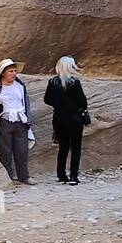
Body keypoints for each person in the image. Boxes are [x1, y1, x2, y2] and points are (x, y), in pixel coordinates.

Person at [0, 59, 35, 185]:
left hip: (20, 121)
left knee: (22, 151)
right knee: (5, 151)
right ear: (3, 73)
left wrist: (28, 118)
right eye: (11, 71)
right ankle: (7, 178)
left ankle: (24, 176)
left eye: (15, 71)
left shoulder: (20, 85)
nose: (14, 73)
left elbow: (25, 102)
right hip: (3, 121)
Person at [44, 56, 89, 185]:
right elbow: (83, 101)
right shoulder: (74, 82)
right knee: (76, 148)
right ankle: (74, 176)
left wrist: (59, 104)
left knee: (63, 147)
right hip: (74, 118)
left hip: (58, 118)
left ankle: (61, 175)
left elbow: (47, 99)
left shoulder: (52, 82)